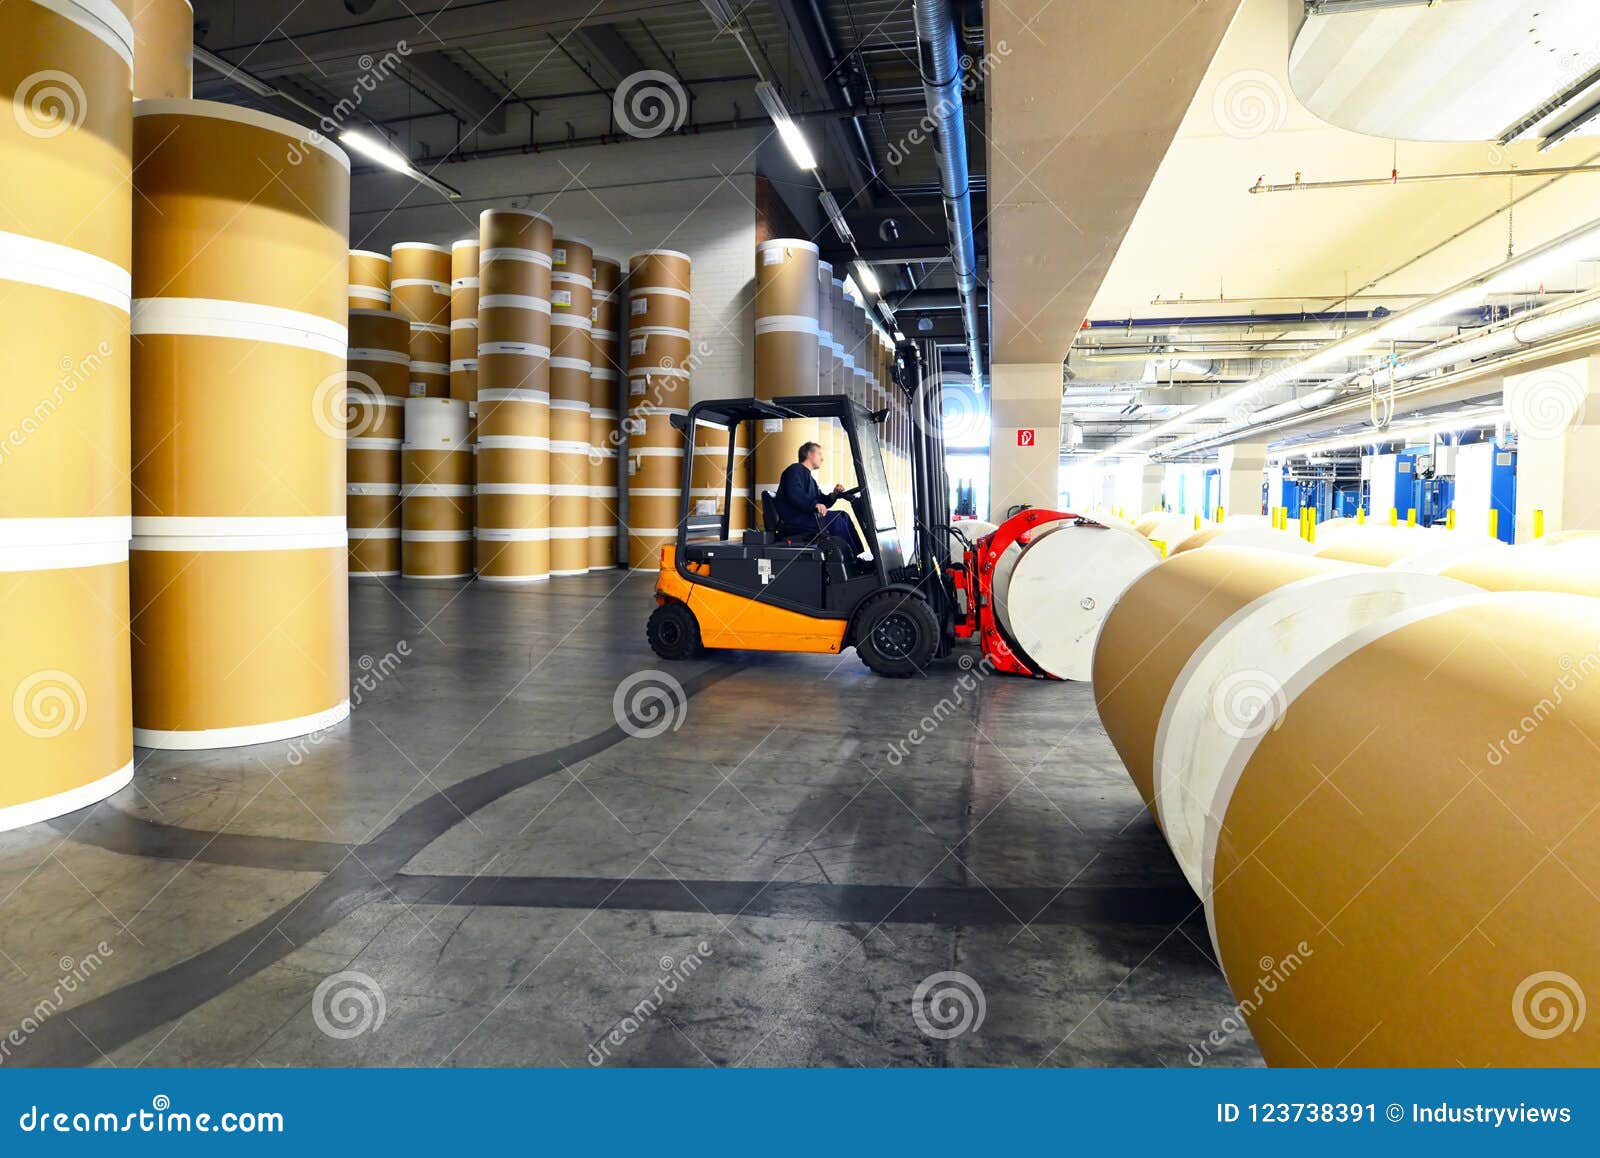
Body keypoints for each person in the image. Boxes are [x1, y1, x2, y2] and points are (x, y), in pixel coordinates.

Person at [774, 441, 865, 555]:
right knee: (836, 519)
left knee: (843, 515)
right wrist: (814, 505)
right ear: (810, 454)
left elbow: (821, 500)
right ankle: (850, 558)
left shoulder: (810, 479)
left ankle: (858, 555)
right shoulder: (795, 470)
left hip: (806, 516)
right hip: (795, 519)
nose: (822, 459)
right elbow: (794, 494)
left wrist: (834, 494)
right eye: (819, 454)